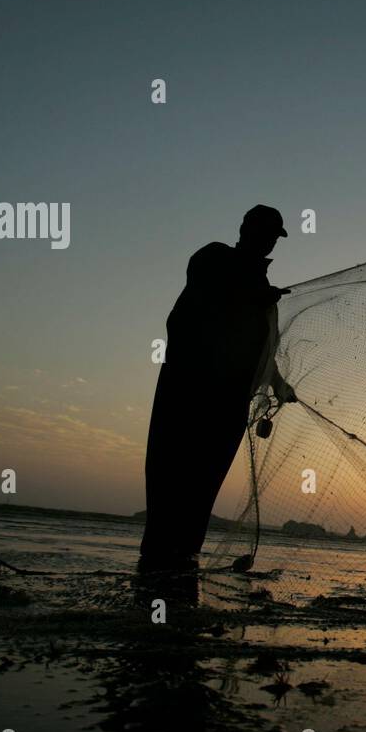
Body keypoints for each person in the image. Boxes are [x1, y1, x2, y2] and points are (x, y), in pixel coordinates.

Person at [139, 205, 296, 570]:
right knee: (169, 472)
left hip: (229, 401)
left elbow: (259, 350)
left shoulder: (261, 288)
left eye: (274, 235)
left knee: (204, 481)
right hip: (186, 390)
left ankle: (181, 566)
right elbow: (205, 299)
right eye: (265, 232)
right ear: (245, 229)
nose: (270, 240)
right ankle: (156, 565)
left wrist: (278, 384)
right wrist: (254, 296)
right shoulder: (213, 258)